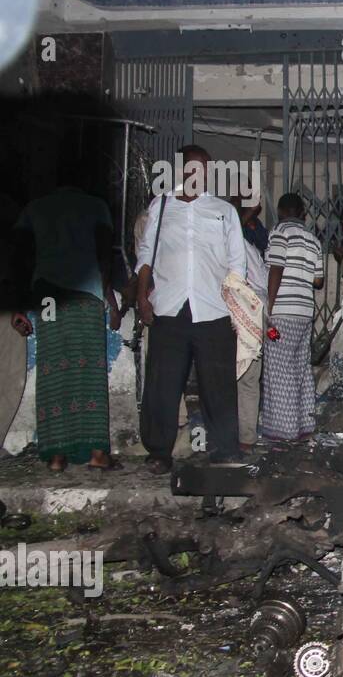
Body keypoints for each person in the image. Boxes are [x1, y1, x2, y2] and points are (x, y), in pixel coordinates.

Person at [135, 144, 246, 473]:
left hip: (212, 308)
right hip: (169, 308)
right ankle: (159, 452)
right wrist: (142, 298)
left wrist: (238, 308)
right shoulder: (161, 205)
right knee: (163, 383)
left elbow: (236, 263)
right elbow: (145, 256)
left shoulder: (223, 211)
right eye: (193, 167)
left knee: (219, 383)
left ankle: (225, 449)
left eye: (205, 169)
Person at [9, 148, 122, 472]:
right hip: (84, 296)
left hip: (47, 294)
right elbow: (104, 259)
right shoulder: (96, 206)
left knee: (52, 371)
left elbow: (20, 258)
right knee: (89, 375)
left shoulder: (35, 209)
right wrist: (111, 303)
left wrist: (19, 306)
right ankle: (97, 454)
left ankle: (56, 456)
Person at [263, 192, 324, 442]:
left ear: (280, 211)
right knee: (300, 367)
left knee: (278, 369)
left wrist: (269, 308)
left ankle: (283, 431)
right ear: (302, 213)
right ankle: (305, 426)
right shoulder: (313, 240)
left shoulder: (279, 233)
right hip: (304, 314)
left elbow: (275, 269)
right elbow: (318, 281)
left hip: (281, 315)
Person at [233, 195, 269, 451]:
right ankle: (241, 437)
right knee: (243, 376)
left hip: (252, 313)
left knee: (246, 376)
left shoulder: (251, 245)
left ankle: (243, 437)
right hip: (242, 312)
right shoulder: (236, 244)